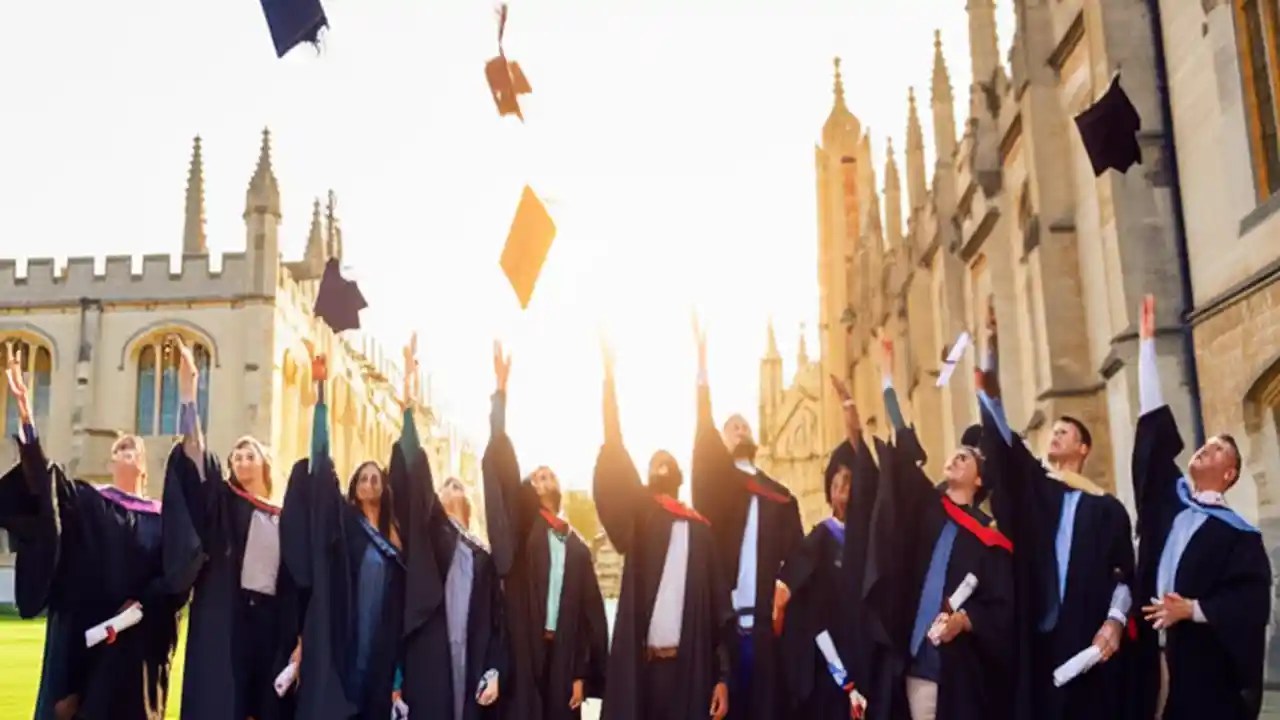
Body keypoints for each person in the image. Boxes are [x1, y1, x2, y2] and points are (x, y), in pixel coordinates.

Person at [973, 303, 1135, 720]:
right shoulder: (1039, 491)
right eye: (1053, 431)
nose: (1056, 435)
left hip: (1088, 636)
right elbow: (1006, 447)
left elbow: (1123, 575)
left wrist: (1115, 622)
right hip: (1038, 635)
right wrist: (989, 365)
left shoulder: (1105, 507)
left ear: (1084, 449)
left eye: (1065, 432)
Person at [0, 350, 182, 719]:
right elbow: (45, 485)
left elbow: (178, 571)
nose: (126, 450)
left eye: (133, 447)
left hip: (137, 637)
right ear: (111, 462)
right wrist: (26, 415)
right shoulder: (89, 501)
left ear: (145, 465)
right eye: (119, 449)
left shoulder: (165, 518)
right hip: (89, 633)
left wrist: (144, 603)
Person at [1132, 294, 1270, 720]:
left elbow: (1250, 602)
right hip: (1149, 656)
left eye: (1215, 451)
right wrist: (1147, 350)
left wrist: (1190, 609)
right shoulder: (1171, 501)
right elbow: (1153, 429)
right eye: (1205, 445)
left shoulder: (1237, 534)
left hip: (1203, 663)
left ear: (1229, 474)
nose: (1203, 451)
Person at [162, 336, 301, 720]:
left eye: (249, 453)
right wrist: (189, 394)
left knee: (267, 706)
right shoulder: (224, 502)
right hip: (231, 614)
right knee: (227, 703)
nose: (241, 459)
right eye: (236, 455)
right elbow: (196, 457)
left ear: (264, 463)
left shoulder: (284, 515)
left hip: (272, 619)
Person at [593, 337, 732, 720]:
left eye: (666, 463)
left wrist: (722, 678)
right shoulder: (640, 515)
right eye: (654, 463)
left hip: (689, 673)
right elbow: (615, 452)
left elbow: (720, 613)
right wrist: (609, 382)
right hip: (644, 673)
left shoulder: (700, 532)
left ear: (679, 476)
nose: (660, 467)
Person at [878, 337, 1015, 720]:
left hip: (960, 672)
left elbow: (1002, 609)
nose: (954, 459)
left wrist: (966, 620)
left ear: (979, 480)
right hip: (915, 661)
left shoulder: (991, 539)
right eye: (953, 455)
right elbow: (905, 449)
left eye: (965, 458)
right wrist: (887, 382)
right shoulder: (928, 507)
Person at [279, 340, 406, 719]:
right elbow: (321, 462)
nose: (369, 482)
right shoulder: (345, 522)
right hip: (345, 631)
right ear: (353, 485)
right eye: (362, 477)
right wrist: (321, 396)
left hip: (382, 637)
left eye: (375, 477)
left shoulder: (395, 538)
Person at [482, 341, 608, 720]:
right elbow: (501, 468)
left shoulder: (578, 548)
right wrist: (499, 399)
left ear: (558, 488)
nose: (542, 478)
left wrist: (581, 674)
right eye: (536, 476)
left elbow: (591, 618)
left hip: (564, 657)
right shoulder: (523, 527)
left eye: (548, 475)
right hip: (524, 655)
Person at [690, 318, 803, 720]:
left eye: (744, 425)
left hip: (765, 630)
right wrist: (702, 373)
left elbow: (801, 554)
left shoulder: (780, 496)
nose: (740, 429)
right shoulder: (718, 485)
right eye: (731, 427)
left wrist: (786, 582)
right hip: (724, 630)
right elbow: (703, 438)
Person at [390, 351, 507, 720]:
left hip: (471, 651)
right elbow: (415, 476)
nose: (453, 486)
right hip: (432, 649)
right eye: (447, 484)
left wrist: (500, 398)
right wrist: (408, 399)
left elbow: (497, 621)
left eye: (459, 485)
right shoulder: (433, 531)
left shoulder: (483, 554)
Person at [772, 375, 875, 718]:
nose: (844, 485)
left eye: (850, 480)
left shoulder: (870, 535)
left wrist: (849, 409)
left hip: (870, 649)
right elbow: (784, 591)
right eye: (837, 481)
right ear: (830, 493)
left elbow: (862, 455)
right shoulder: (819, 537)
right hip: (831, 660)